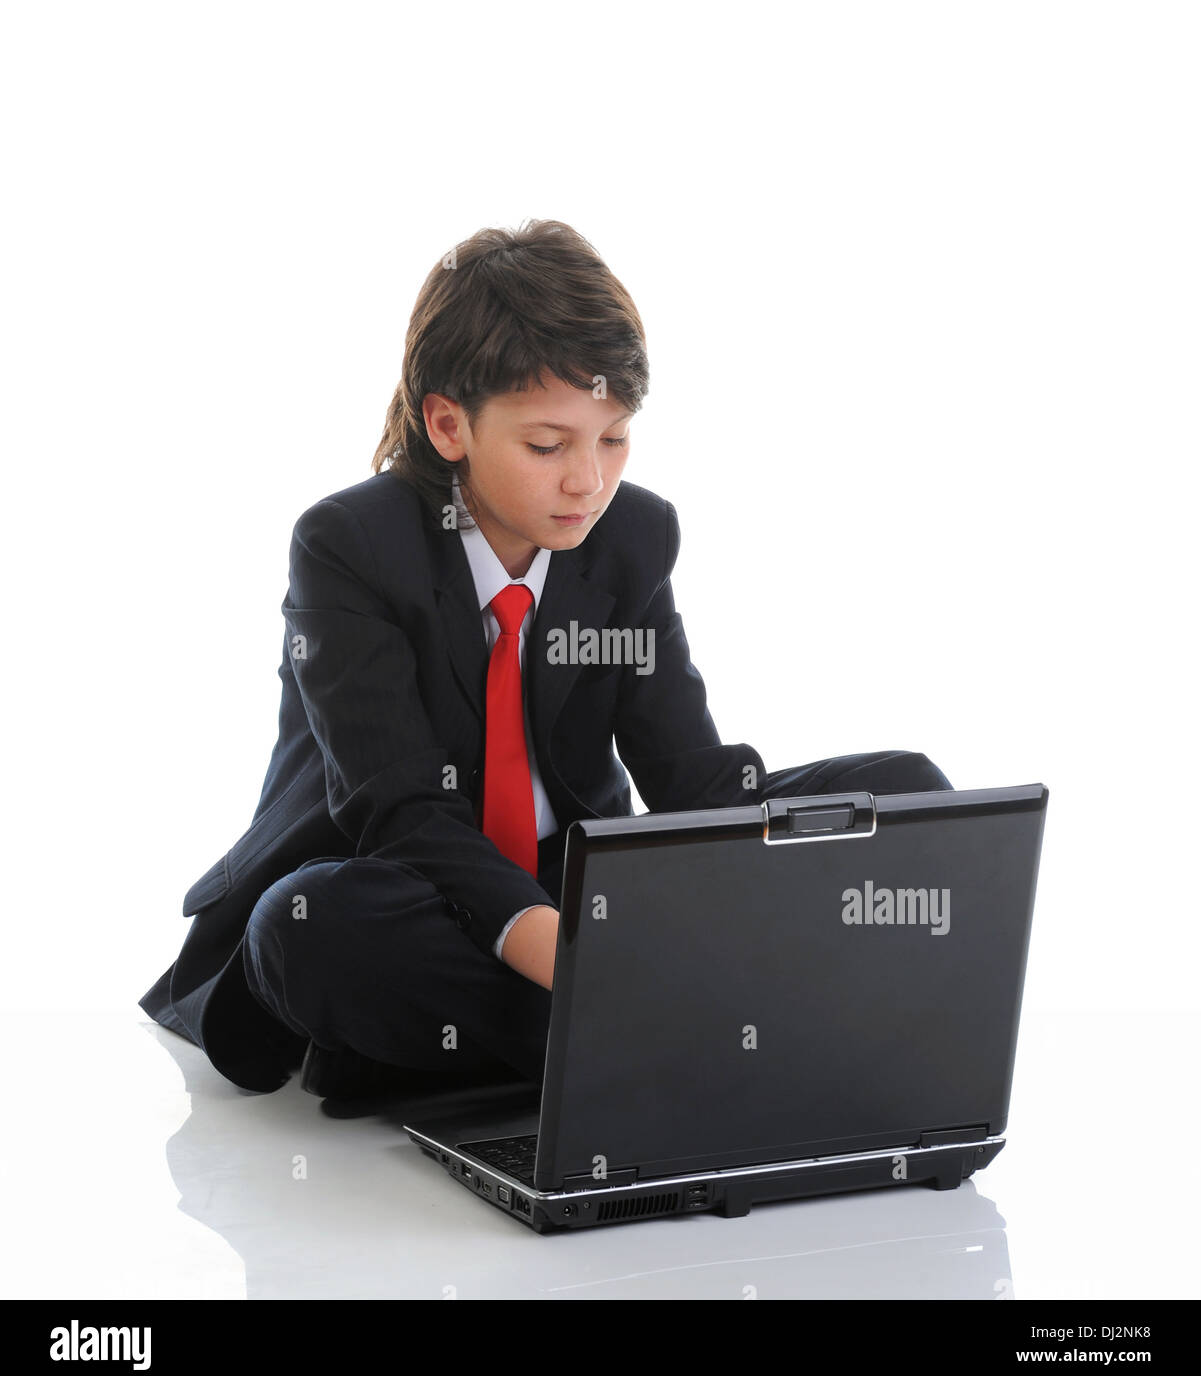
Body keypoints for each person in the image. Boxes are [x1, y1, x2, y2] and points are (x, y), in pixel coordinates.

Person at [138, 219, 952, 1104]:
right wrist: (589, 965)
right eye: (547, 444)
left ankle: (549, 1042)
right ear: (449, 424)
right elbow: (404, 814)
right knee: (315, 931)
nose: (588, 482)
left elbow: (689, 780)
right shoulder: (350, 546)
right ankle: (678, 1033)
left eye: (613, 439)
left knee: (904, 793)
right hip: (403, 878)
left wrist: (765, 863)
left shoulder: (631, 538)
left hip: (573, 878)